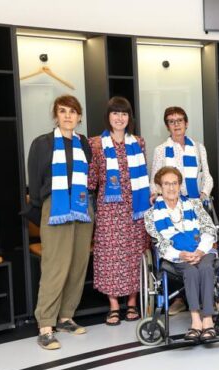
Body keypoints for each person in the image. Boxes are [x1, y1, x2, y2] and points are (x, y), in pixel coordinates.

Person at [26, 95, 93, 350]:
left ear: (79, 117)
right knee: (56, 266)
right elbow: (34, 182)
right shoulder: (42, 143)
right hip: (55, 206)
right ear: (56, 115)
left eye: (72, 112)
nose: (67, 116)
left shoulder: (83, 143)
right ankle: (45, 325)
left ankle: (65, 317)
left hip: (82, 205)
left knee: (77, 264)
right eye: (62, 111)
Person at [88, 97, 150, 325]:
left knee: (135, 254)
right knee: (110, 257)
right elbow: (92, 178)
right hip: (109, 209)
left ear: (129, 118)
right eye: (115, 113)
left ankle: (132, 303)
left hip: (136, 208)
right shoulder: (95, 143)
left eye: (124, 114)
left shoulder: (139, 143)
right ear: (108, 116)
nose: (119, 117)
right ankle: (114, 305)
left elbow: (143, 174)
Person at [149, 106, 214, 315]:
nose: (176, 124)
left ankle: (205, 299)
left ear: (186, 123)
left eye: (179, 120)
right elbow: (155, 181)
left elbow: (207, 176)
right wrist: (161, 198)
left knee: (200, 244)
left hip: (194, 205)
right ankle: (180, 298)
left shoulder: (198, 147)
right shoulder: (161, 150)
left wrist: (203, 194)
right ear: (167, 126)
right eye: (171, 121)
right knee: (177, 243)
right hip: (170, 204)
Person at [144, 167, 219, 342]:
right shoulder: (151, 215)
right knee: (191, 271)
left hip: (202, 250)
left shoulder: (194, 204)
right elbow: (160, 242)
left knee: (207, 268)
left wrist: (200, 250)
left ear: (180, 185)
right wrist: (181, 254)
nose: (171, 188)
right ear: (159, 187)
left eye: (174, 183)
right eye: (166, 184)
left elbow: (209, 228)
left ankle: (208, 320)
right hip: (176, 256)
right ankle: (195, 322)